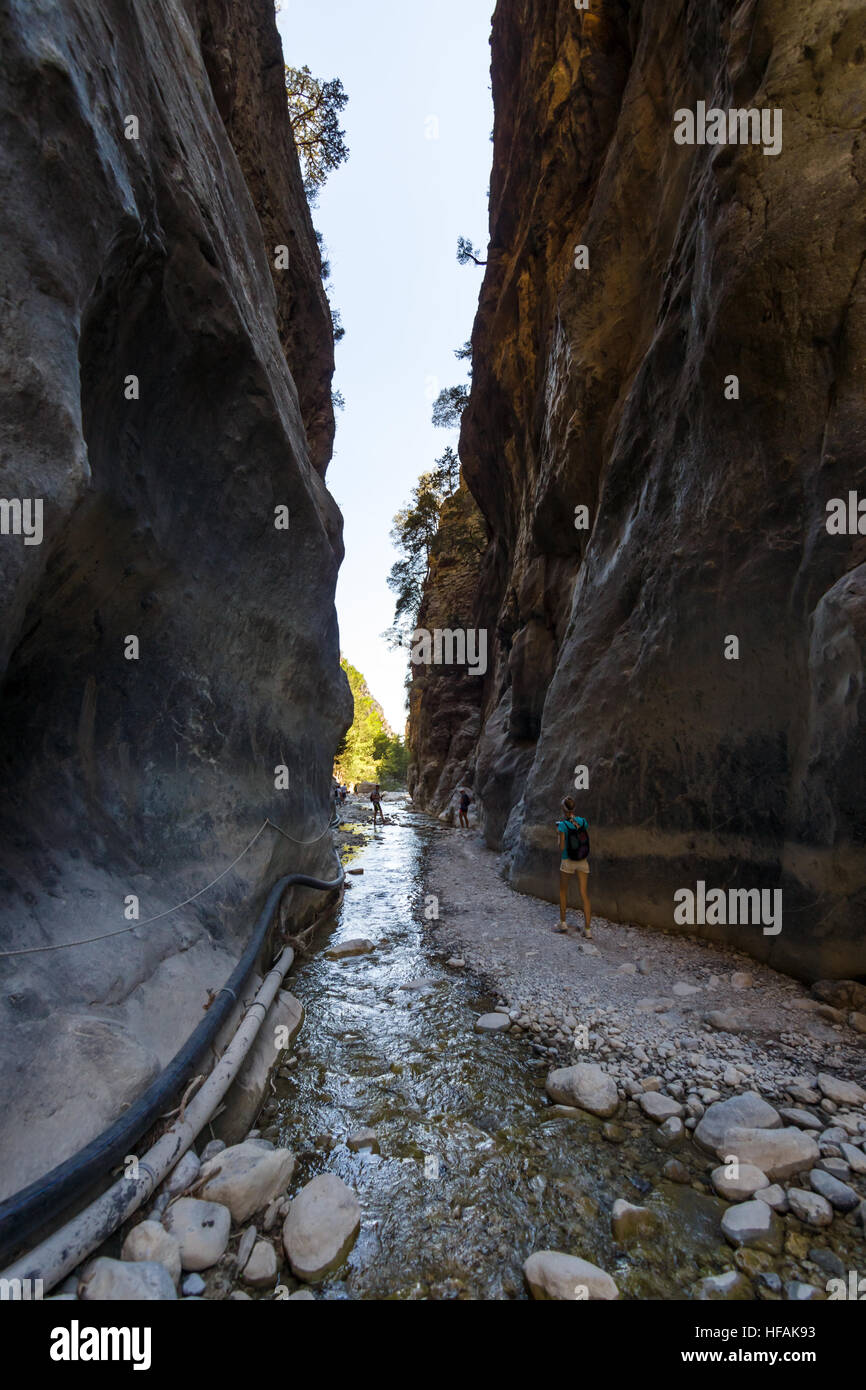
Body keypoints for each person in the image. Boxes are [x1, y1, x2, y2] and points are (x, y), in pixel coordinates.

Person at [555, 795, 591, 938]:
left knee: (563, 891)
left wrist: (558, 835)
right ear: (574, 808)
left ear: (563, 810)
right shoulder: (583, 821)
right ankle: (588, 929)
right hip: (582, 860)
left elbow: (562, 846)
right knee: (584, 894)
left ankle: (563, 923)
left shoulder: (563, 825)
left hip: (568, 861)